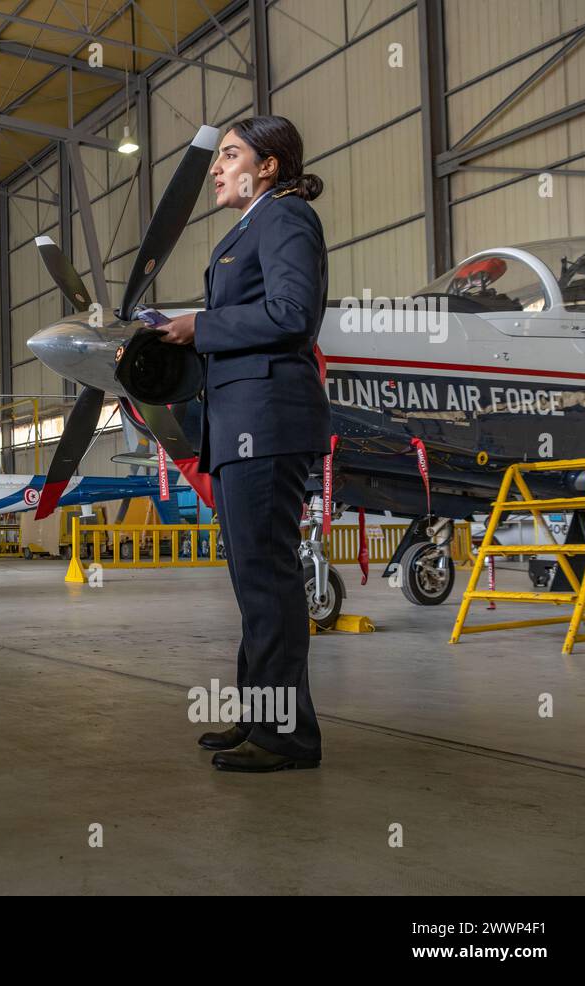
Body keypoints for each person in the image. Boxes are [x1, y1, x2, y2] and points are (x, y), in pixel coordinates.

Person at [150, 115, 331, 772]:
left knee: (268, 577)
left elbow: (292, 315)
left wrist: (202, 324)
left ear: (270, 166)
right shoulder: (252, 226)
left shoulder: (286, 218)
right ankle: (261, 718)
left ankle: (286, 737)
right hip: (238, 423)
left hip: (267, 420)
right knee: (253, 577)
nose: (217, 167)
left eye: (231, 154)